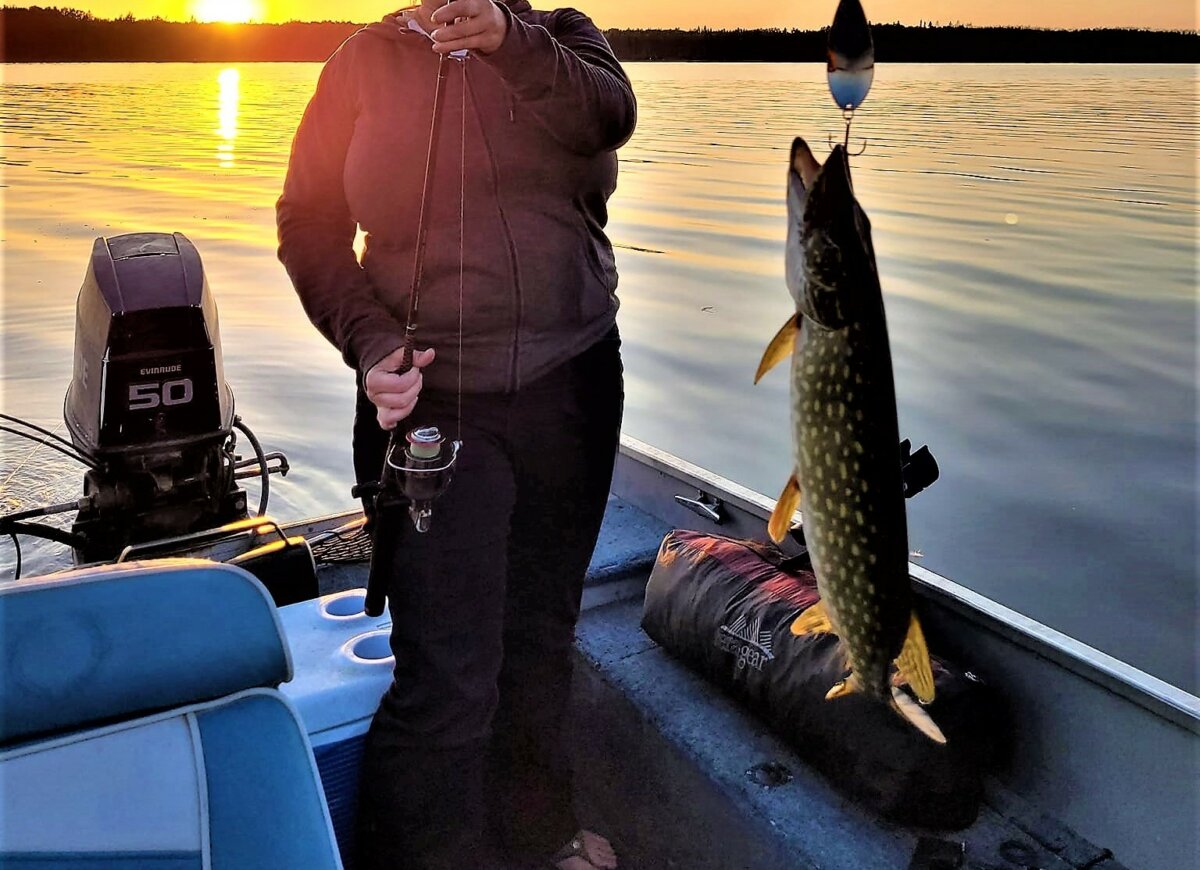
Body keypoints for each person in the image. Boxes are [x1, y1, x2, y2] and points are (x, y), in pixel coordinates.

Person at [276, 2, 636, 868]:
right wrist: (371, 345)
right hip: (431, 404)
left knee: (543, 633)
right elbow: (309, 224)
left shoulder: (566, 38)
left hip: (573, 386)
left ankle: (541, 833)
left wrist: (514, 46)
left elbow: (609, 115)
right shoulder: (359, 64)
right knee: (447, 674)